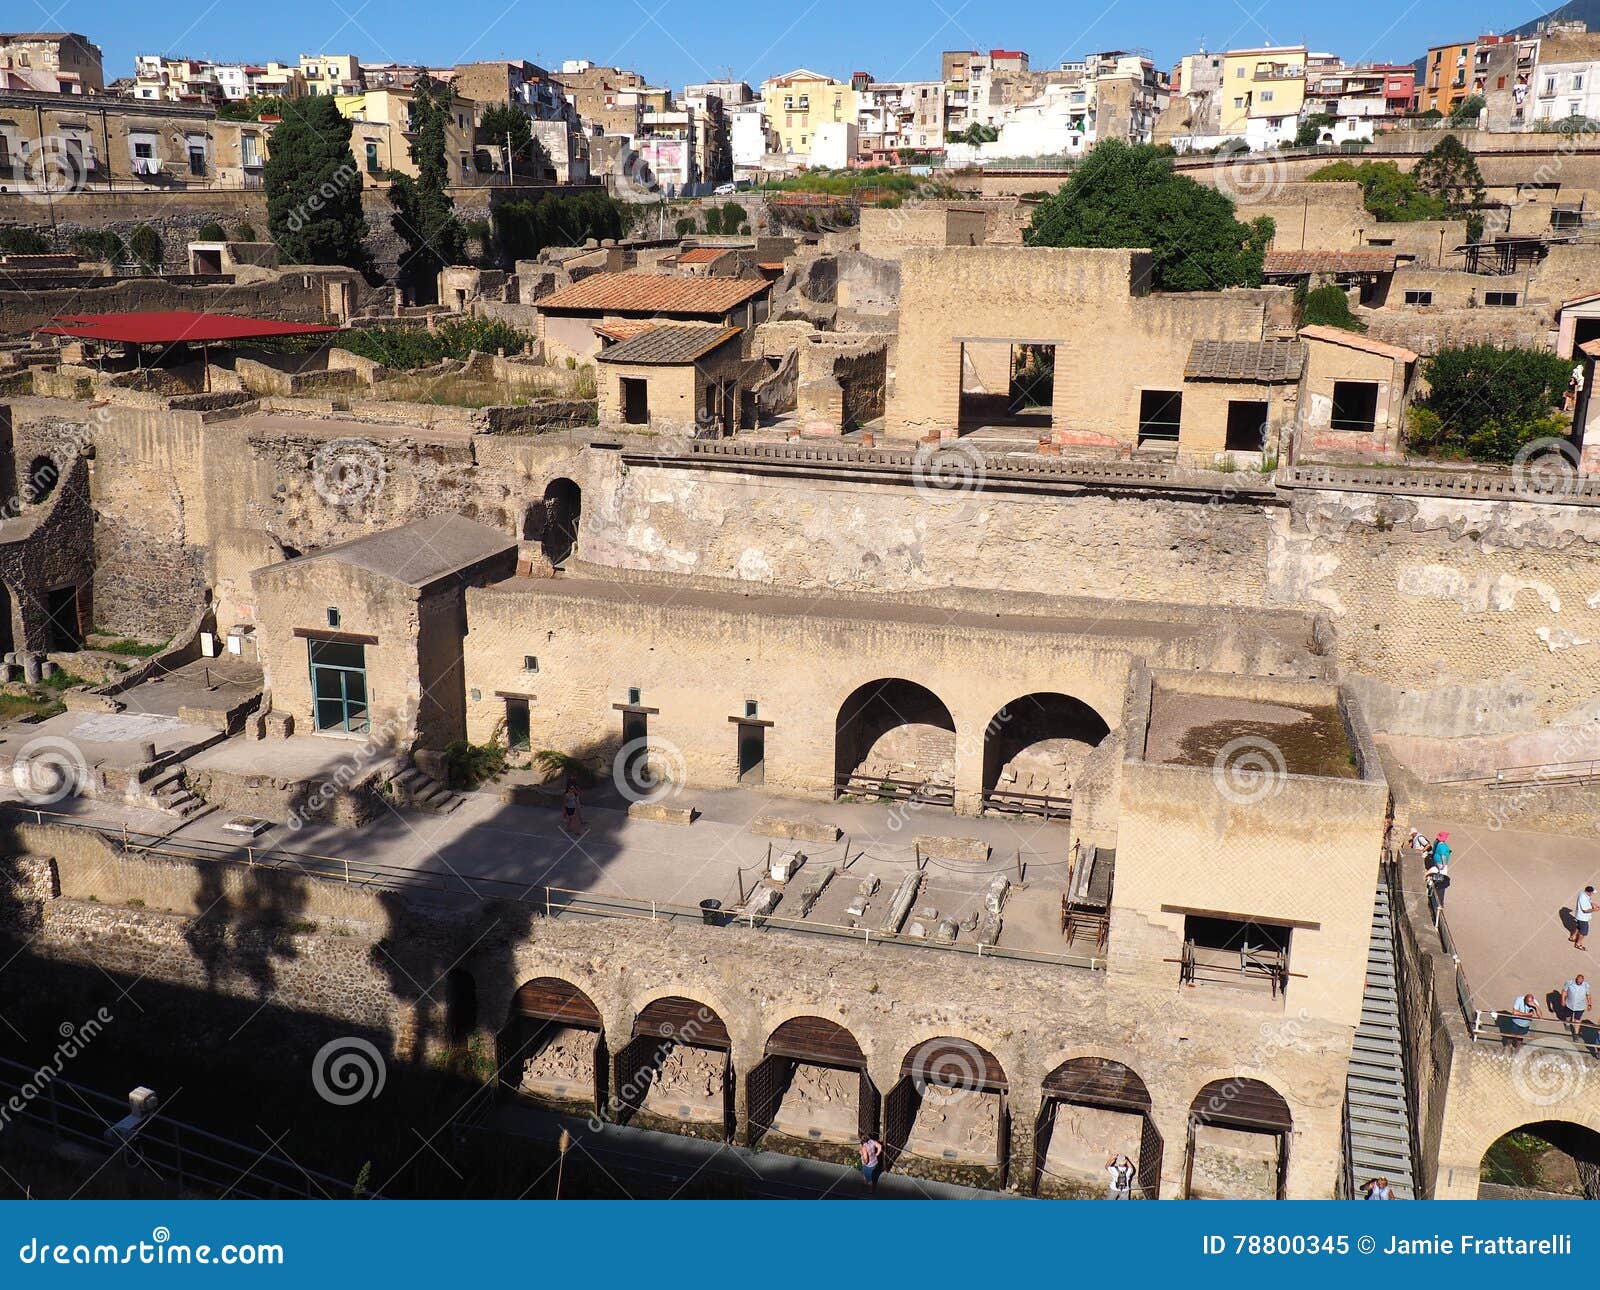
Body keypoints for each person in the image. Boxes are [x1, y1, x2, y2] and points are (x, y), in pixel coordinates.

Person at [1561, 974, 1591, 1038]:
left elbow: (1588, 995)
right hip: (1570, 1004)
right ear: (1576, 979)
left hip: (1580, 1006)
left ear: (1583, 981)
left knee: (1577, 1020)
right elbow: (1564, 991)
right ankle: (1567, 1024)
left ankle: (1576, 1034)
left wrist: (1589, 1004)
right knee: (1568, 1016)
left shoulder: (1586, 985)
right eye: (1578, 981)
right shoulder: (1569, 983)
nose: (1579, 982)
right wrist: (1563, 1000)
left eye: (1581, 982)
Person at [1572, 885, 1594, 951]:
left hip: (1579, 917)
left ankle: (1573, 937)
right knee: (1583, 932)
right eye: (1592, 893)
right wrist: (1594, 909)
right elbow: (1585, 910)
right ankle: (1578, 944)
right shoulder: (1583, 898)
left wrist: (1592, 904)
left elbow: (1589, 900)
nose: (1592, 894)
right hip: (1583, 918)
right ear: (1588, 892)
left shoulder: (1582, 893)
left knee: (1579, 927)